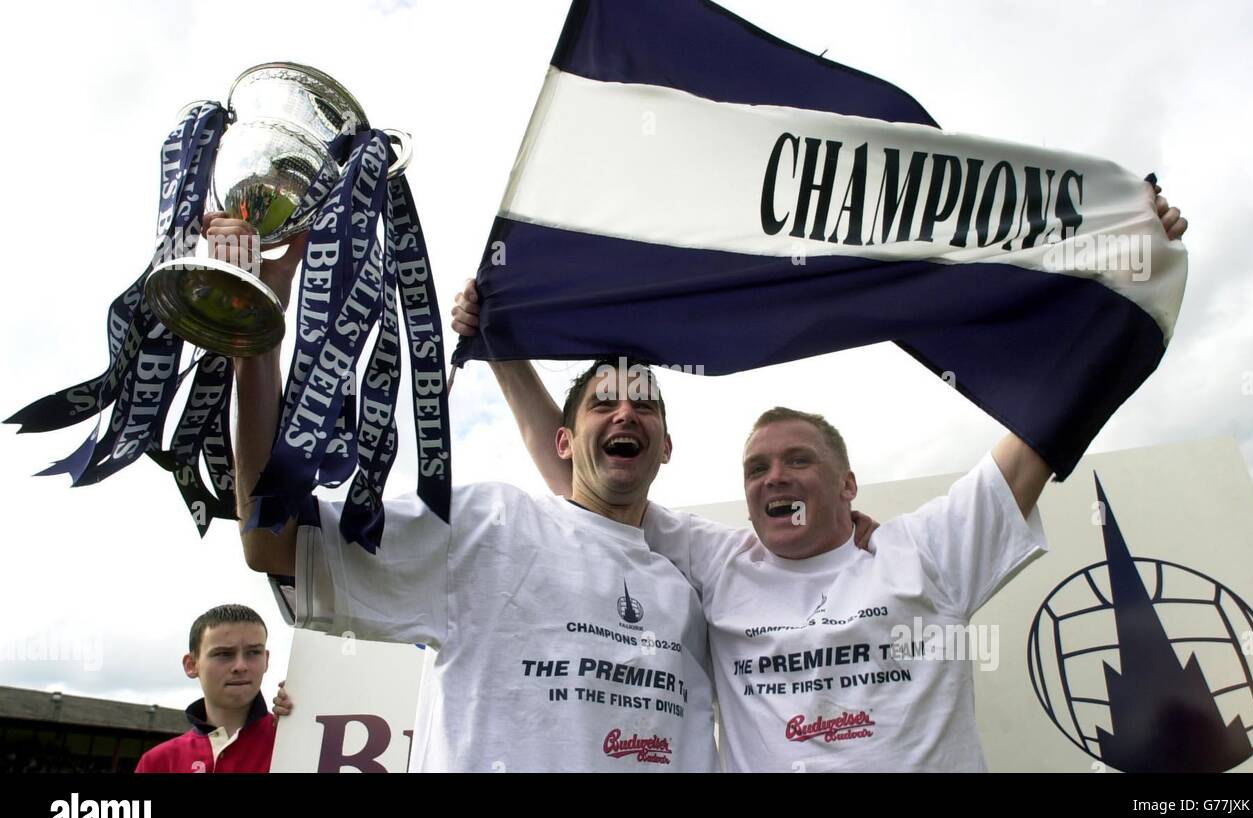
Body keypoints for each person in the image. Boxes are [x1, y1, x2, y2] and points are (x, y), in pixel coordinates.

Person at [452, 191, 1188, 771]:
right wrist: (501, 347)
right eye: (756, 468)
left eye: (798, 459)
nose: (775, 476)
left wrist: (1129, 265)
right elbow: (586, 480)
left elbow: (1045, 431)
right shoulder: (718, 564)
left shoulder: (926, 551)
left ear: (848, 485)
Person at [213, 212, 720, 772]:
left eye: (643, 405)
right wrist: (253, 342)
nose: (625, 411)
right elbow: (275, 546)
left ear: (666, 446)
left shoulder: (694, 578)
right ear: (564, 442)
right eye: (604, 404)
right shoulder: (488, 526)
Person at [135, 604, 289, 773]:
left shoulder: (296, 742)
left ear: (266, 660)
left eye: (253, 653)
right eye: (224, 654)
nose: (241, 666)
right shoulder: (157, 763)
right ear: (192, 665)